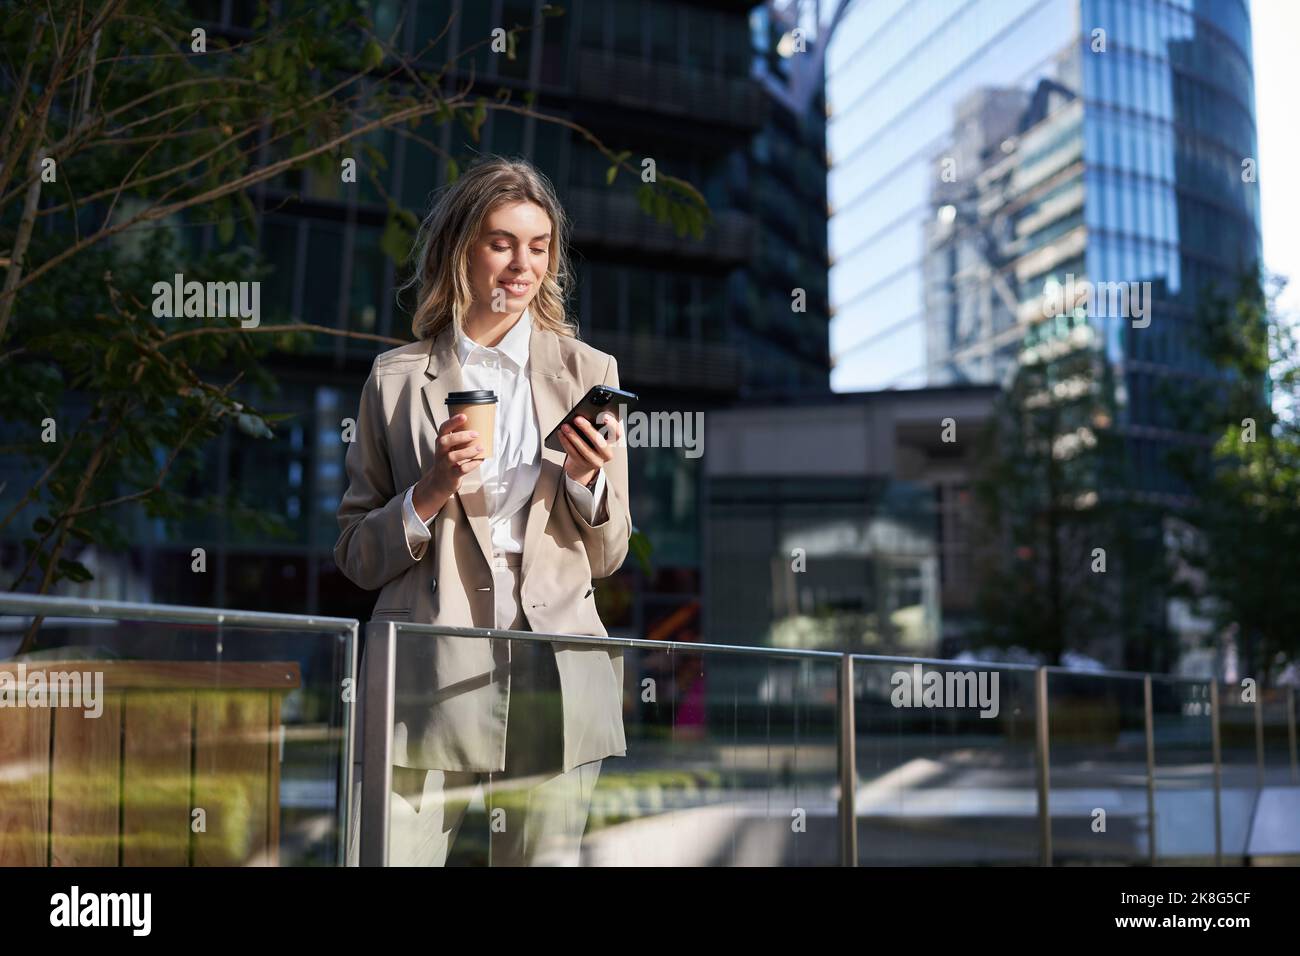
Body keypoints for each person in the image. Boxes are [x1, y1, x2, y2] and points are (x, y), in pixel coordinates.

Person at [335, 156, 632, 866]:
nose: (521, 264)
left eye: (538, 246)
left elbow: (611, 551)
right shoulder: (397, 379)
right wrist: (431, 488)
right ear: (461, 248)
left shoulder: (591, 374)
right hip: (424, 674)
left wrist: (589, 481)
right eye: (501, 242)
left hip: (556, 671)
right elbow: (355, 554)